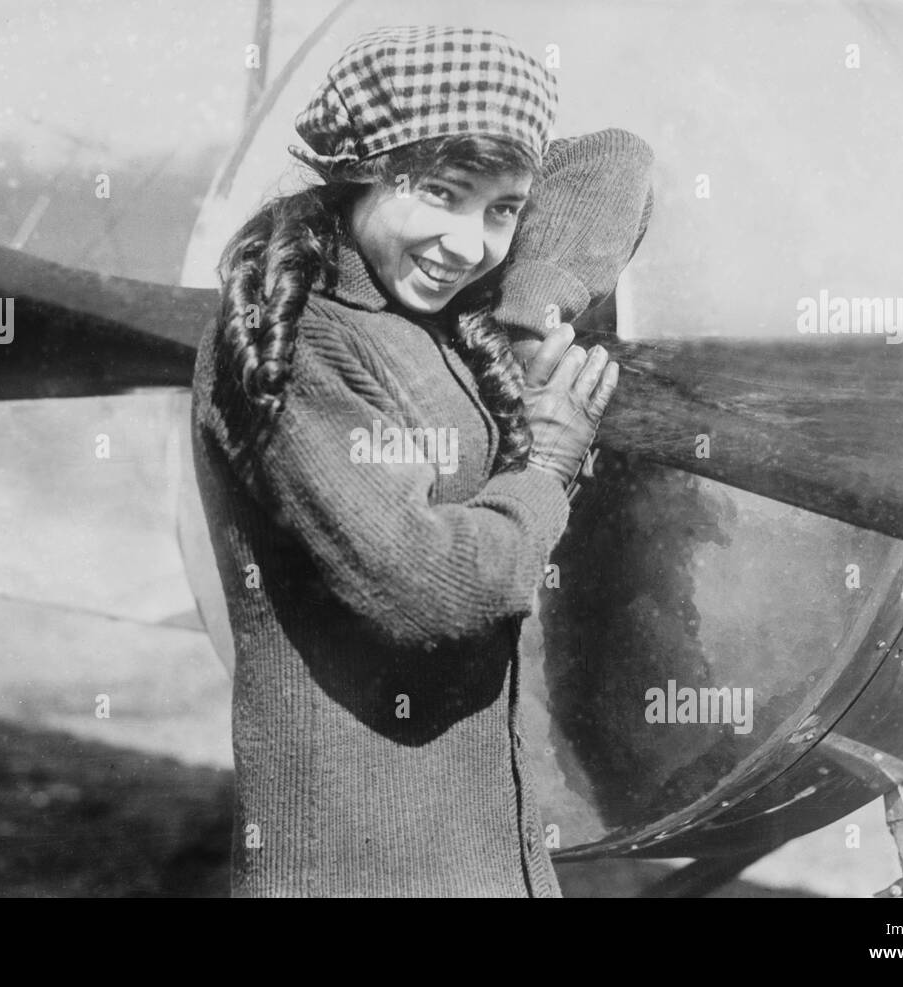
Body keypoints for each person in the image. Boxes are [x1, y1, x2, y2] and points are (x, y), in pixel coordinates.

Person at [192, 24, 653, 897]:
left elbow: (615, 162)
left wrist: (529, 318)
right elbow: (427, 589)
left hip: (484, 849)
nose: (467, 243)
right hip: (361, 864)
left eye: (501, 210)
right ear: (361, 169)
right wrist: (545, 461)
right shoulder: (298, 335)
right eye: (440, 193)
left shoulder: (429, 315)